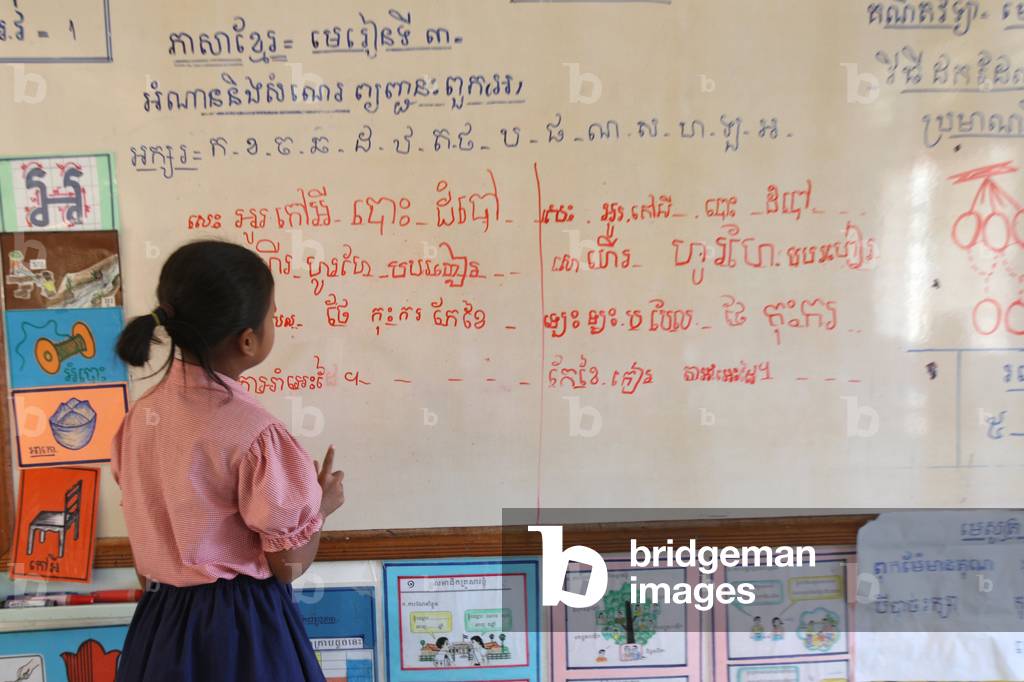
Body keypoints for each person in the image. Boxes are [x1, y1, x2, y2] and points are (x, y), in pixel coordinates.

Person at [111, 240, 345, 682]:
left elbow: (147, 551)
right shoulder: (256, 433)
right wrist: (320, 507)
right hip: (240, 628)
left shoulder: (139, 418)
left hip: (159, 622)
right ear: (248, 339)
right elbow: (287, 566)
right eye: (273, 313)